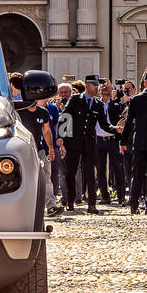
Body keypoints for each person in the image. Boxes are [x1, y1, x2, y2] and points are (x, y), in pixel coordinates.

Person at [58, 75, 104, 214]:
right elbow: (64, 117)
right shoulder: (75, 99)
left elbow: (104, 124)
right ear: (86, 85)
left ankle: (92, 205)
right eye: (94, 85)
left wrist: (116, 129)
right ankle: (70, 201)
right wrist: (61, 137)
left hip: (89, 143)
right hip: (73, 142)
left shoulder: (98, 104)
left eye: (97, 85)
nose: (97, 88)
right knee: (71, 173)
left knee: (90, 174)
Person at [119, 69, 147, 215]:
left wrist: (123, 141)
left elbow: (129, 122)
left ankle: (133, 203)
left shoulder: (136, 99)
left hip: (139, 140)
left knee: (136, 173)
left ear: (144, 82)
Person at [17, 88, 56, 209]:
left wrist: (51, 148)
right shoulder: (19, 112)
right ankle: (26, 206)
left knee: (46, 176)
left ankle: (51, 206)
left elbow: (47, 131)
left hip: (39, 149)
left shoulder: (43, 112)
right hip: (23, 149)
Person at [95, 79, 125, 207]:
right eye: (102, 87)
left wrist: (111, 86)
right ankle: (105, 196)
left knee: (117, 169)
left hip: (113, 140)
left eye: (106, 87)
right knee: (101, 170)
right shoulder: (96, 104)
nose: (104, 88)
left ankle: (121, 197)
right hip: (99, 139)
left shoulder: (116, 105)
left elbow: (122, 103)